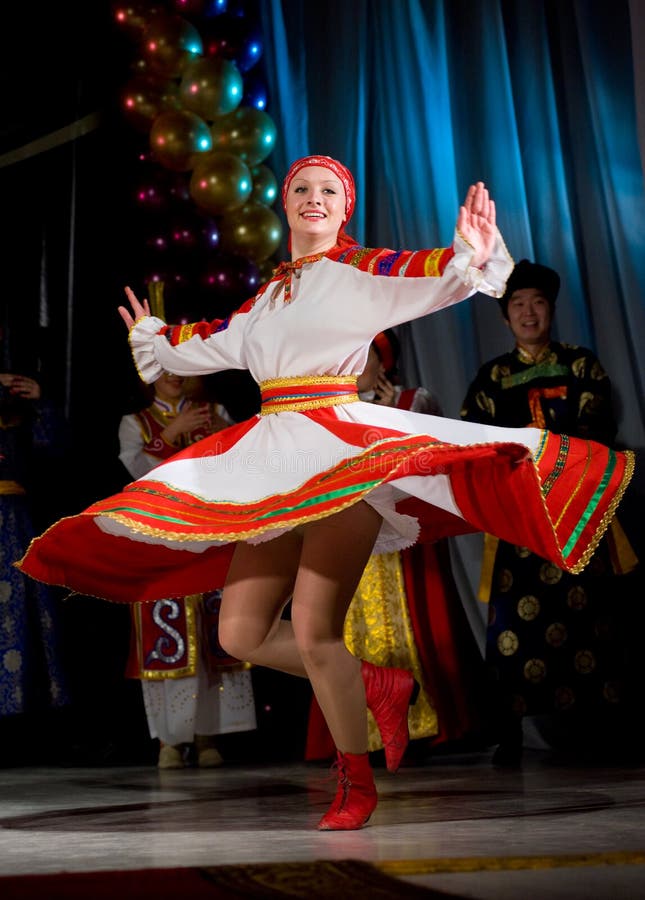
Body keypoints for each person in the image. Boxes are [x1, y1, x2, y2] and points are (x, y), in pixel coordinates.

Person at [17, 157, 634, 831]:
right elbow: (199, 344)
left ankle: (355, 781)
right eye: (302, 190)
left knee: (314, 633)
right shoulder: (263, 301)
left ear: (345, 209)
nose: (315, 199)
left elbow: (430, 275)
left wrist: (471, 256)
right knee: (241, 631)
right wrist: (152, 338)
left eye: (329, 192)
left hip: (342, 458)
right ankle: (376, 682)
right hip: (270, 462)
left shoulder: (359, 271)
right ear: (285, 206)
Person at [460, 259, 641, 765]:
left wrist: (554, 461)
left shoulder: (582, 365)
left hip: (578, 508)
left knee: (593, 616)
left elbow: (596, 424)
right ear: (504, 317)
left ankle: (611, 729)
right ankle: (511, 734)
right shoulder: (492, 377)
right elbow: (475, 436)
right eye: (517, 304)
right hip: (521, 519)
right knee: (516, 629)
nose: (528, 312)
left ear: (552, 309)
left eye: (537, 302)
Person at [305, 331, 487, 764]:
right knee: (347, 626)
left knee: (419, 621)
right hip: (352, 531)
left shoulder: (413, 401)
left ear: (382, 360)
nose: (352, 364)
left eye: (363, 355)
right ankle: (359, 734)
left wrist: (390, 421)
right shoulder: (332, 411)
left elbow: (437, 459)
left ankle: (429, 725)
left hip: (405, 532)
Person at [119, 371, 257, 768]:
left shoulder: (214, 413)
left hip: (211, 534)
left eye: (179, 368)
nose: (173, 377)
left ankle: (208, 736)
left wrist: (223, 433)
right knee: (171, 634)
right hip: (162, 539)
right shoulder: (135, 423)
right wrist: (170, 433)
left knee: (216, 630)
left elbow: (242, 462)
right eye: (162, 371)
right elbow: (140, 476)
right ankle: (170, 740)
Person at [0, 370, 70, 759]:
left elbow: (52, 448)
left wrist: (40, 401)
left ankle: (21, 729)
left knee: (22, 623)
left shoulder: (15, 404)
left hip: (12, 520)